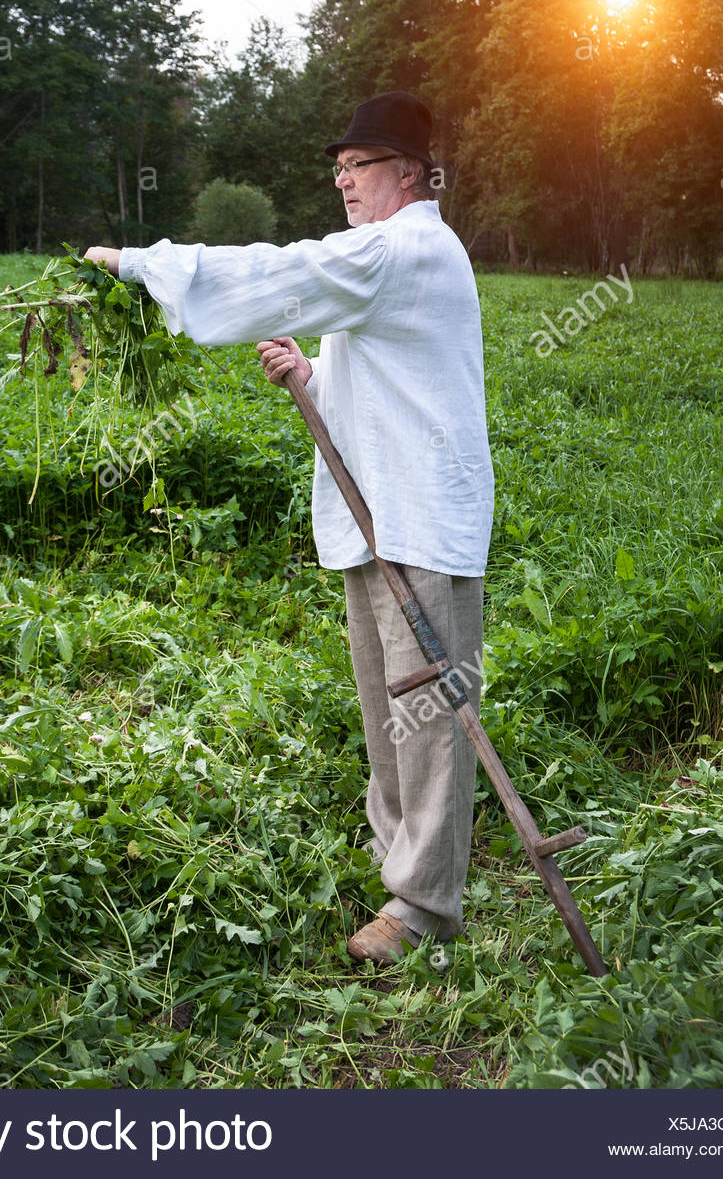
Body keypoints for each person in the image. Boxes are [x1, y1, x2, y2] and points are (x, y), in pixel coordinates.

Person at [85, 91, 494, 963]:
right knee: (389, 705)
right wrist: (311, 372)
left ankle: (424, 908)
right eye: (340, 167)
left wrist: (140, 264)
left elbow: (284, 272)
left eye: (363, 165)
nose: (345, 180)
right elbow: (382, 374)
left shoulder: (406, 246)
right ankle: (401, 863)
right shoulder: (386, 258)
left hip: (418, 517)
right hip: (378, 509)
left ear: (414, 173)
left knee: (426, 718)